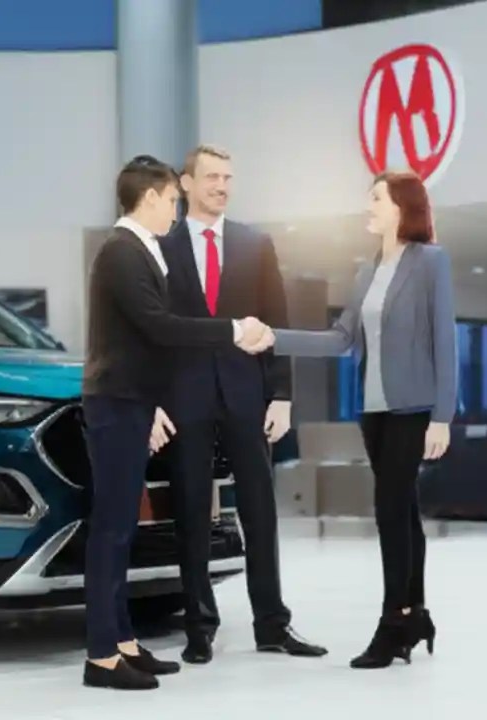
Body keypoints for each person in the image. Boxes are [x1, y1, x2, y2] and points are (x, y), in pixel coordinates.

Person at [81, 154, 274, 690]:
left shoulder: (138, 251)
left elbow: (145, 338)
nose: (175, 211)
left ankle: (121, 642)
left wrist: (153, 404)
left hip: (130, 402)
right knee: (112, 530)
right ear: (150, 198)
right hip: (116, 403)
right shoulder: (123, 252)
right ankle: (101, 655)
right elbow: (158, 327)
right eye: (171, 200)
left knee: (122, 528)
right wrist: (231, 330)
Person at [271, 170, 457, 669]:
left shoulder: (430, 262)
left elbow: (446, 341)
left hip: (413, 409)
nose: (368, 206)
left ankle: (392, 623)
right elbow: (341, 339)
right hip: (373, 413)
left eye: (375, 198)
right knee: (404, 511)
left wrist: (442, 417)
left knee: (390, 511)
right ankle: (415, 613)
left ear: (401, 205)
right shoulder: (367, 269)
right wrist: (273, 338)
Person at [158, 144, 326, 664]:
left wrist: (282, 395)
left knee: (260, 511)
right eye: (211, 176)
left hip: (247, 395)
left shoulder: (256, 244)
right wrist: (152, 400)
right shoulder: (160, 243)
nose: (222, 186)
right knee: (191, 510)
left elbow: (275, 322)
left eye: (228, 177)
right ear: (186, 184)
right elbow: (152, 330)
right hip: (183, 396)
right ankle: (198, 628)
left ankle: (273, 624)